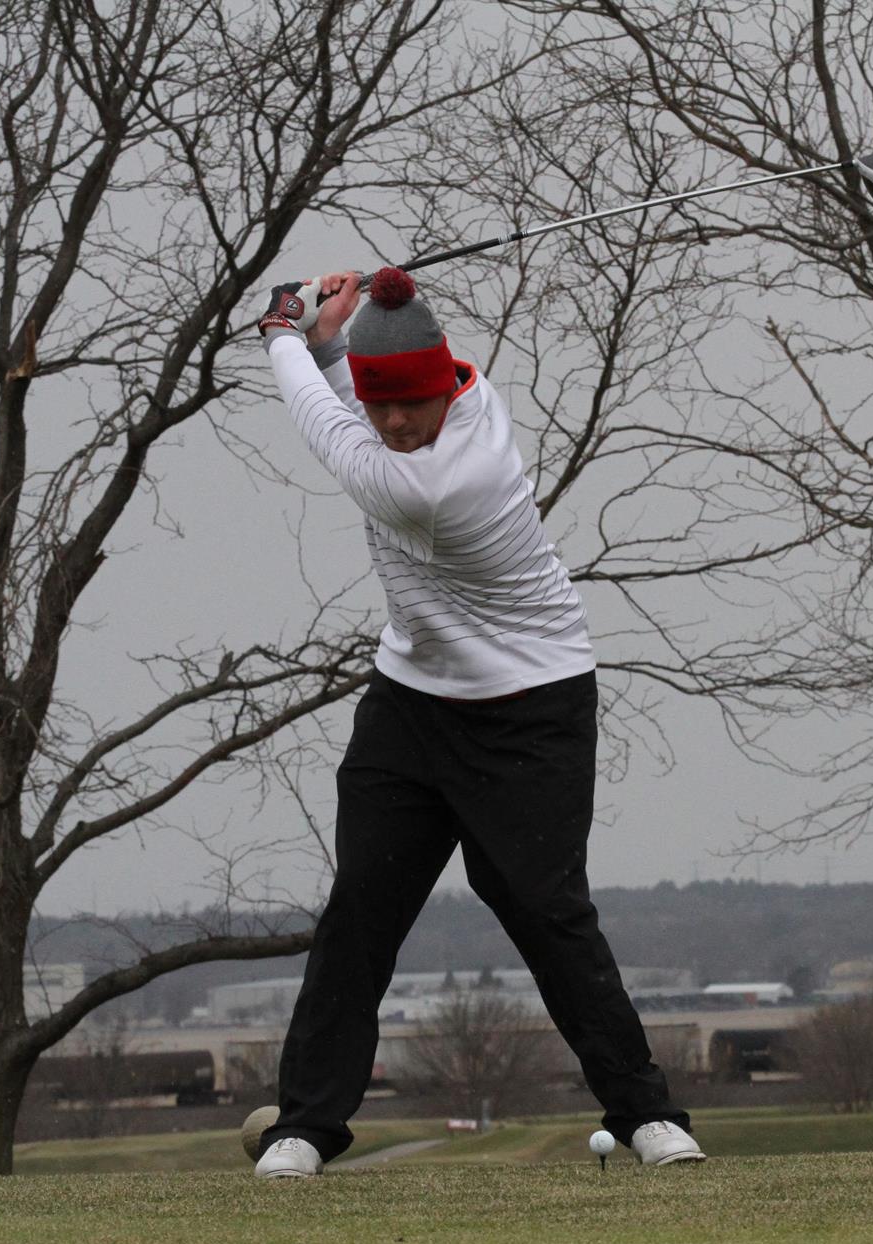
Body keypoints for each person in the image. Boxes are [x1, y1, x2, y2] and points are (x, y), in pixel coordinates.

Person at [249, 266, 703, 1179]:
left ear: (444, 382)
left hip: (531, 705)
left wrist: (286, 332)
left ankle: (648, 1113)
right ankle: (306, 1126)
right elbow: (360, 403)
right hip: (413, 701)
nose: (399, 422)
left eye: (412, 403)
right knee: (361, 912)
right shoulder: (433, 397)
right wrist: (341, 338)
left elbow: (330, 426)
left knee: (542, 908)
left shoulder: (449, 478)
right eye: (387, 404)